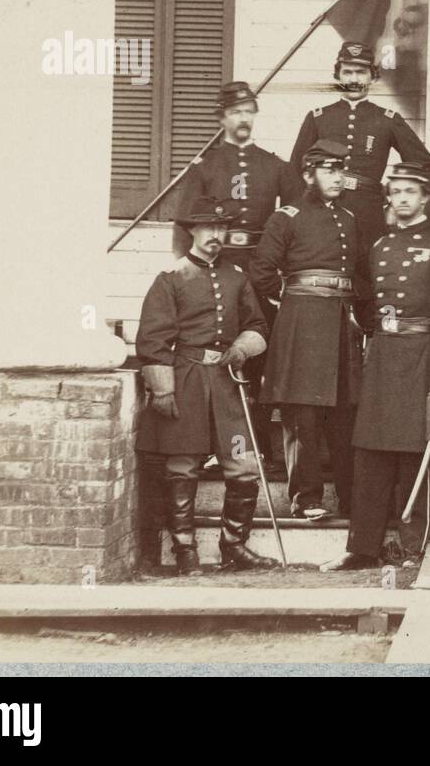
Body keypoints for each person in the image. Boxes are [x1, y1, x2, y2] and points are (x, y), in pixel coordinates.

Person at [323, 163, 430, 572]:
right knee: (371, 449)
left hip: (423, 353)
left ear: (426, 197)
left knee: (418, 450)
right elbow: (367, 304)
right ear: (388, 197)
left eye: (411, 191)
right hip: (384, 354)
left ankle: (412, 547)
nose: (403, 198)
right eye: (397, 191)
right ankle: (363, 547)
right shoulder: (379, 247)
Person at [136, 196, 274, 575]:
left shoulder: (236, 277)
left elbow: (258, 326)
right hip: (187, 381)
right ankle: (185, 550)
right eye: (208, 228)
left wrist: (242, 348)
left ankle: (234, 546)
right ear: (192, 231)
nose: (216, 235)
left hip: (229, 383)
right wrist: (162, 389)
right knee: (183, 467)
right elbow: (152, 339)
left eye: (221, 228)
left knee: (243, 466)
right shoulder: (172, 278)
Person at [172, 80, 298, 470]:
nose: (243, 119)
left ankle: (258, 447)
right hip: (217, 270)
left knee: (258, 358)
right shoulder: (204, 166)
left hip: (260, 273)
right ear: (222, 118)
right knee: (218, 352)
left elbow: (295, 219)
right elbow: (183, 226)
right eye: (236, 112)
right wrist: (186, 273)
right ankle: (215, 445)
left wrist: (281, 272)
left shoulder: (274, 165)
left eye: (249, 112)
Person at [252, 139, 367, 521]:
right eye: (329, 169)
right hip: (302, 323)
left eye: (341, 169)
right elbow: (263, 272)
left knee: (344, 413)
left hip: (341, 322)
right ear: (308, 174)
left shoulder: (348, 219)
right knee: (303, 413)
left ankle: (353, 499)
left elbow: (357, 275)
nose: (338, 176)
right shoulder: (287, 216)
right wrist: (292, 306)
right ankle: (307, 499)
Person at [288, 41, 430, 253]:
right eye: (347, 72)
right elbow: (295, 171)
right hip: (322, 211)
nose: (354, 79)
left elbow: (426, 165)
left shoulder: (387, 119)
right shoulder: (318, 118)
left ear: (372, 77)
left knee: (367, 274)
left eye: (361, 72)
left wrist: (396, 204)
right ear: (338, 76)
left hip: (368, 212)